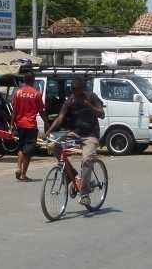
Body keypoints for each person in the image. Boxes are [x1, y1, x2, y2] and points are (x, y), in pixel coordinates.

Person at [44, 75, 105, 208]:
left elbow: (102, 114)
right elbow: (60, 117)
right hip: (75, 133)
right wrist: (49, 131)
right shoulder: (70, 100)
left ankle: (85, 194)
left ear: (82, 88)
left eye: (76, 89)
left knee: (87, 159)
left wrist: (89, 105)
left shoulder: (91, 97)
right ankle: (70, 174)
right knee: (56, 147)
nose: (74, 91)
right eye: (72, 89)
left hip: (90, 134)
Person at [12, 72, 48, 182]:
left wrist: (11, 125)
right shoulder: (36, 94)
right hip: (31, 125)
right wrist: (47, 123)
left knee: (21, 147)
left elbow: (14, 110)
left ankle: (18, 167)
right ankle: (23, 174)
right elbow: (41, 111)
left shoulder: (18, 93)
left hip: (20, 124)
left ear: (24, 80)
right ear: (33, 80)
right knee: (28, 150)